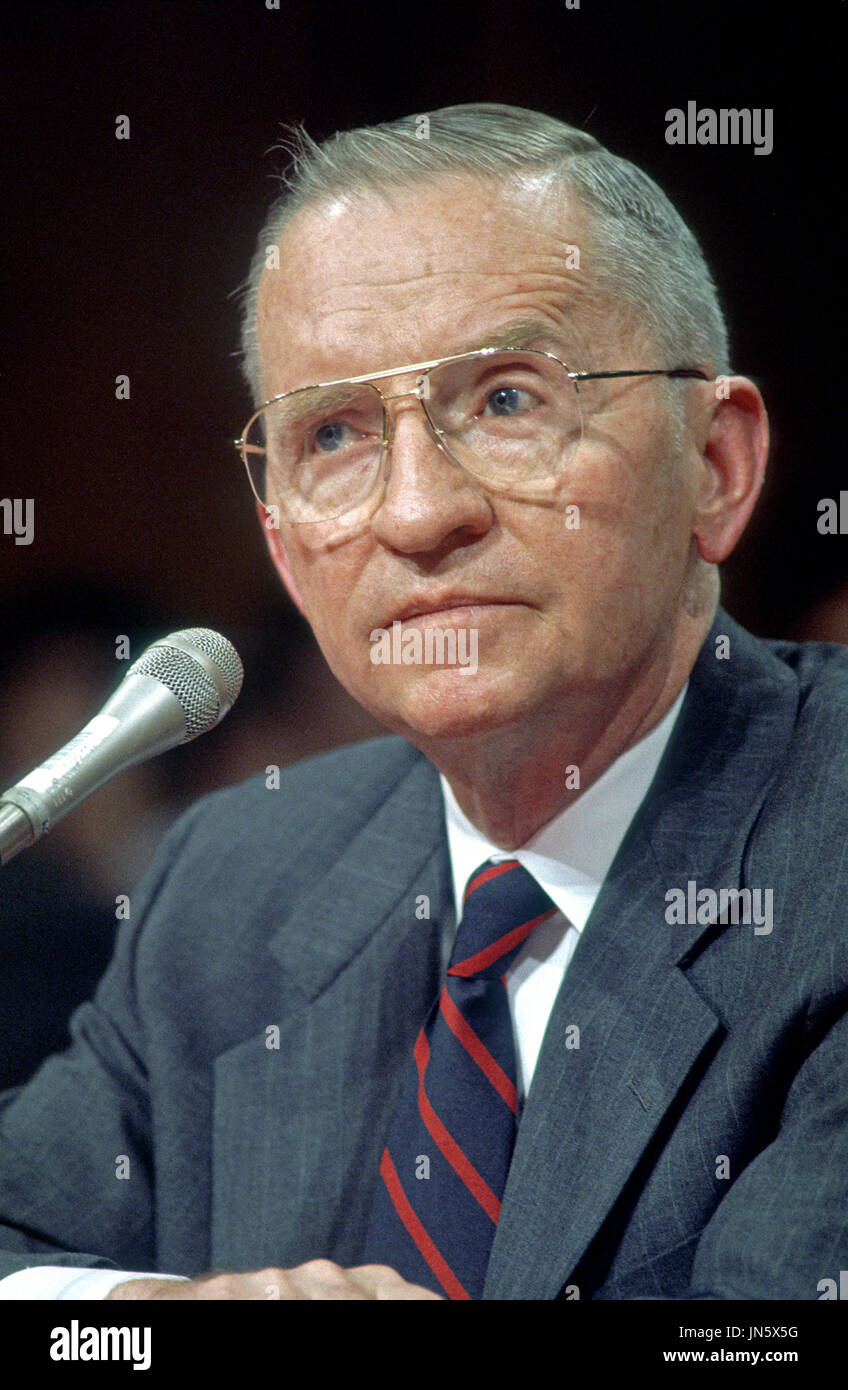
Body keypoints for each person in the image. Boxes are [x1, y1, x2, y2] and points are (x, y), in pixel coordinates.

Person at [1, 103, 847, 1301]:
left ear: (712, 465)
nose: (414, 512)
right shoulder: (235, 883)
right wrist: (139, 1315)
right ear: (286, 549)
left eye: (506, 400)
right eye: (335, 433)